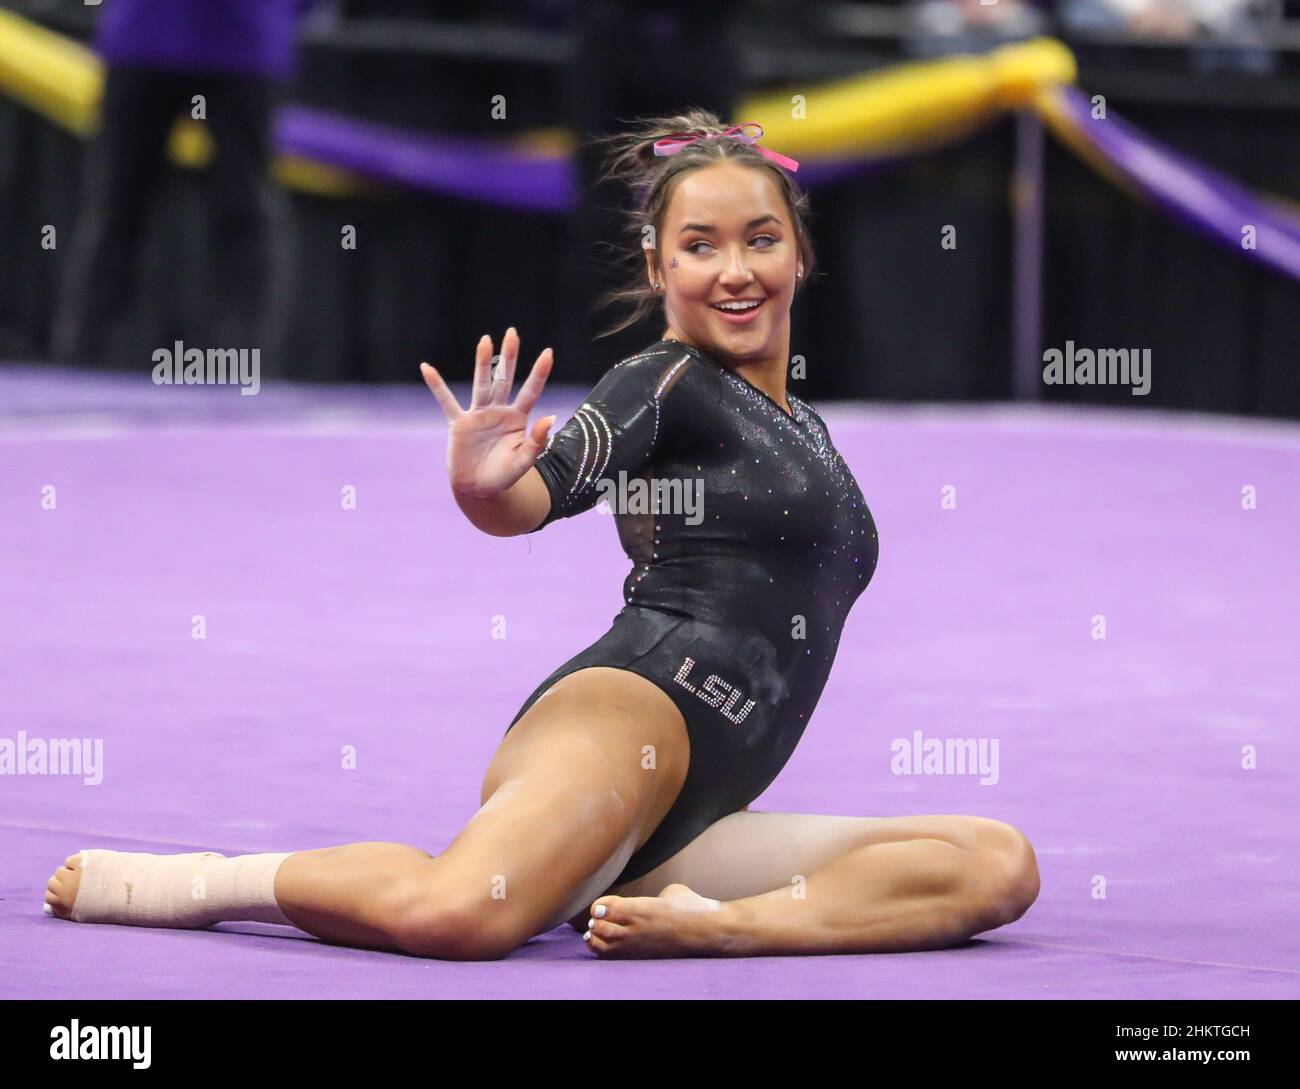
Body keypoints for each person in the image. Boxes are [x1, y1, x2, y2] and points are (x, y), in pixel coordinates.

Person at [43, 110, 1039, 960]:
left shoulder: (805, 425)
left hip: (688, 822)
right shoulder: (665, 382)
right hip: (625, 721)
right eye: (699, 247)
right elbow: (544, 490)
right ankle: (196, 883)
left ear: (799, 253)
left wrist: (718, 913)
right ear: (658, 265)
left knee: (993, 865)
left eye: (759, 240)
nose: (733, 271)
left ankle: (720, 926)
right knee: (459, 914)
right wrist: (490, 488)